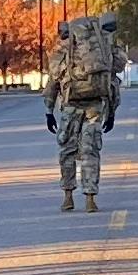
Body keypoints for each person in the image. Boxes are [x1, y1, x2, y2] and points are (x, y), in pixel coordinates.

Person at [49, 12, 123, 211]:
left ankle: (68, 196)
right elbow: (114, 76)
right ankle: (90, 199)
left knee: (67, 151)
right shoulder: (104, 44)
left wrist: (49, 110)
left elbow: (53, 80)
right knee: (91, 152)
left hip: (71, 105)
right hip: (96, 105)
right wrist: (112, 111)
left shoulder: (64, 48)